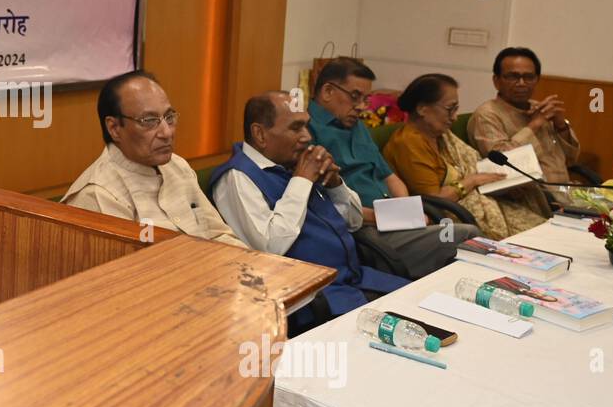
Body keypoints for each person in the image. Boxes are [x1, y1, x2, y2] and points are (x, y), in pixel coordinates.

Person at [210, 92, 410, 333]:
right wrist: (302, 180)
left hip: (353, 277)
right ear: (260, 134)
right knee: (403, 335)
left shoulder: (292, 161)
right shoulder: (237, 178)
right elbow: (269, 246)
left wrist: (336, 185)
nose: (307, 137)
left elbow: (355, 222)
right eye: (296, 128)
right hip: (313, 299)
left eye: (306, 125)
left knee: (420, 305)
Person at [308, 57, 478, 277]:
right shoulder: (306, 130)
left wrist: (405, 211)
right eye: (355, 97)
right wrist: (387, 218)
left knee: (463, 240)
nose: (361, 107)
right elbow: (324, 204)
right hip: (364, 233)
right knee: (467, 237)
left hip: (393, 221)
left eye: (366, 99)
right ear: (328, 91)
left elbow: (390, 176)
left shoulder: (355, 124)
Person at [63, 71, 246, 247]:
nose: (167, 132)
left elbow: (218, 235)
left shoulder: (177, 166)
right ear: (115, 128)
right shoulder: (98, 195)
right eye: (149, 121)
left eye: (169, 117)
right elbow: (127, 274)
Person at [383, 74, 550, 241]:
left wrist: (502, 184)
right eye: (450, 109)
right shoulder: (408, 143)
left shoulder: (440, 135)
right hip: (448, 220)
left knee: (546, 235)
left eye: (456, 109)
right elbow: (435, 200)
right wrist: (472, 181)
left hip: (481, 202)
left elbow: (468, 166)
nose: (455, 117)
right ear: (422, 109)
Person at [468, 47, 581, 191]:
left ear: (537, 80)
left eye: (528, 77)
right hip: (532, 199)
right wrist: (534, 125)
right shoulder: (487, 114)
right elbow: (501, 163)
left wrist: (561, 126)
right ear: (496, 81)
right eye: (512, 76)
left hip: (565, 192)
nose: (521, 83)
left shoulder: (539, 108)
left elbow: (571, 160)